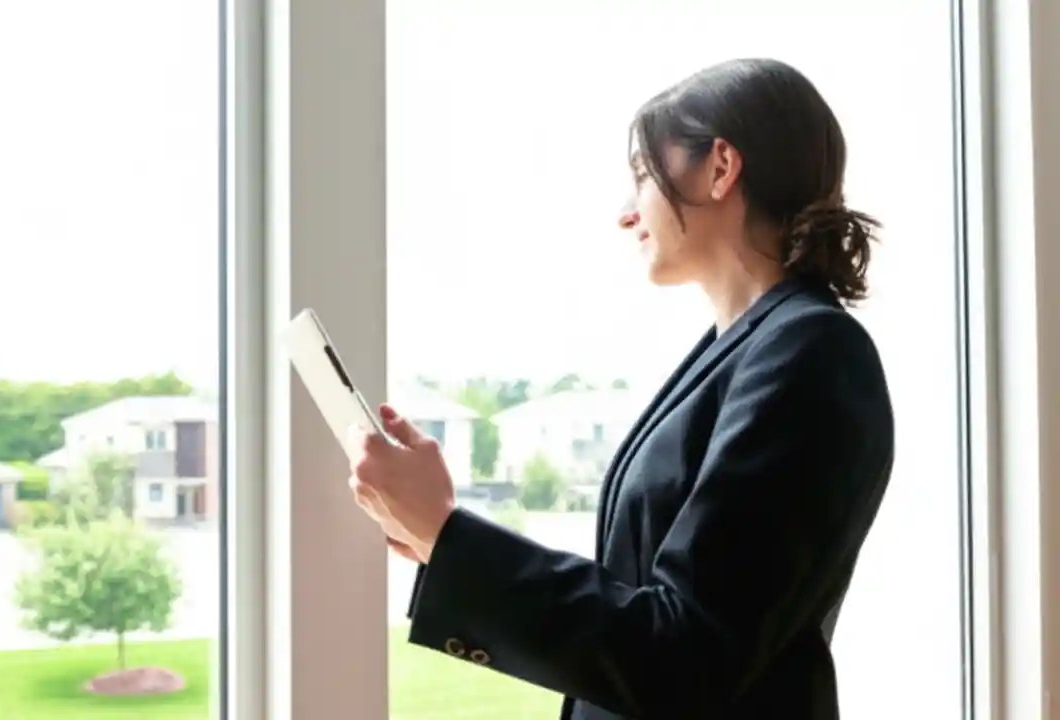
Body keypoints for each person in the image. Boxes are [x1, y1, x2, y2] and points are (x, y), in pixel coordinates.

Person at [348, 57, 895, 720]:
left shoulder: (809, 354)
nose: (625, 214)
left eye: (643, 174)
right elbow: (651, 613)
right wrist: (440, 540)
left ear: (721, 167)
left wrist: (449, 539)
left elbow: (684, 655)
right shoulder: (748, 349)